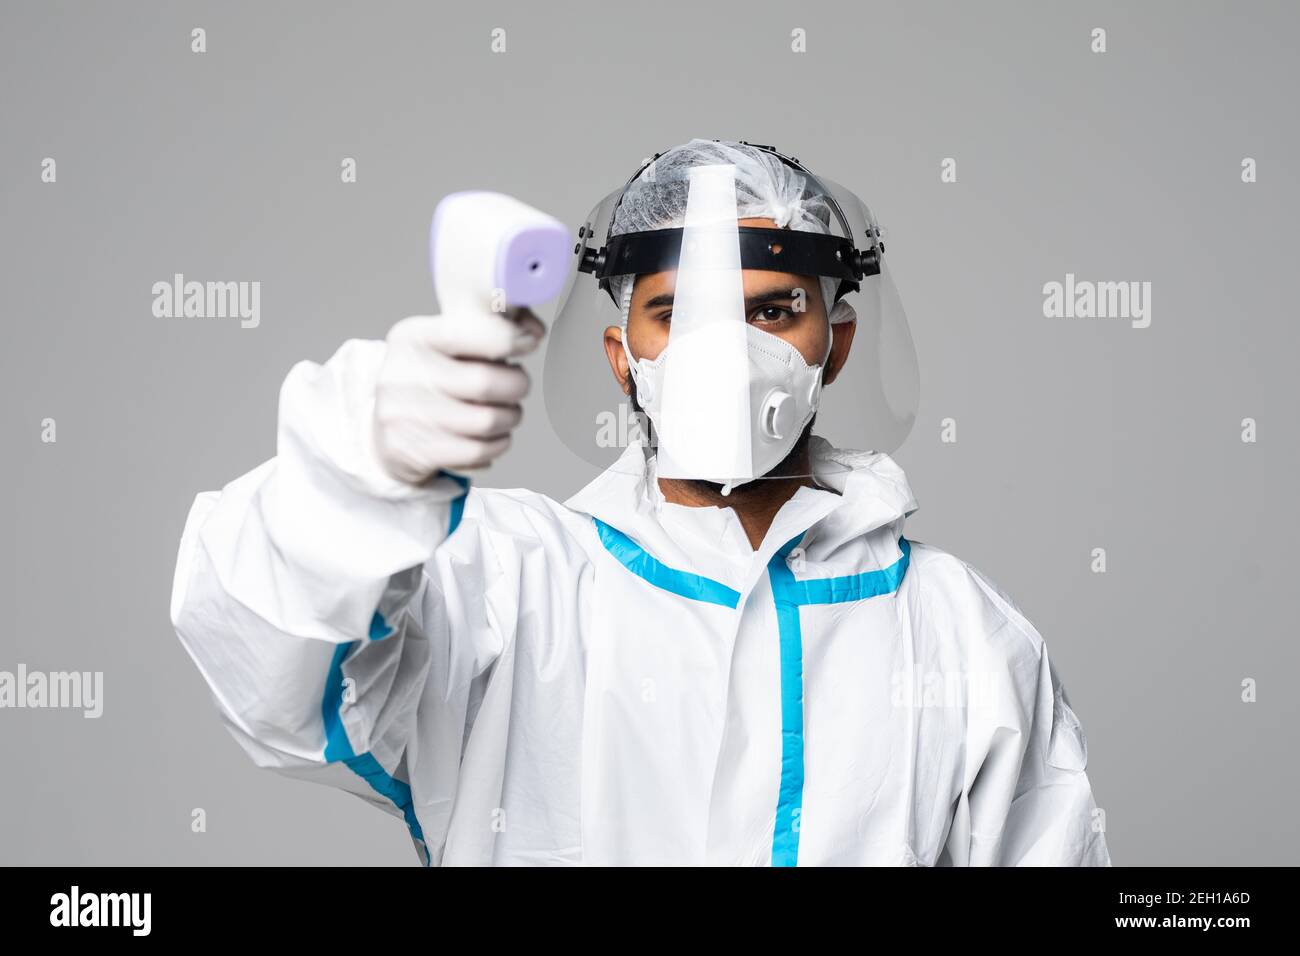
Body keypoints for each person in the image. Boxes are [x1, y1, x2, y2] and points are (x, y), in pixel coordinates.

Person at [170, 139, 1111, 866]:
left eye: (775, 308)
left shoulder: (958, 634)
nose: (729, 347)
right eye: (678, 312)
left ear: (839, 343)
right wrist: (363, 474)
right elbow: (274, 680)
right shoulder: (504, 582)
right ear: (624, 355)